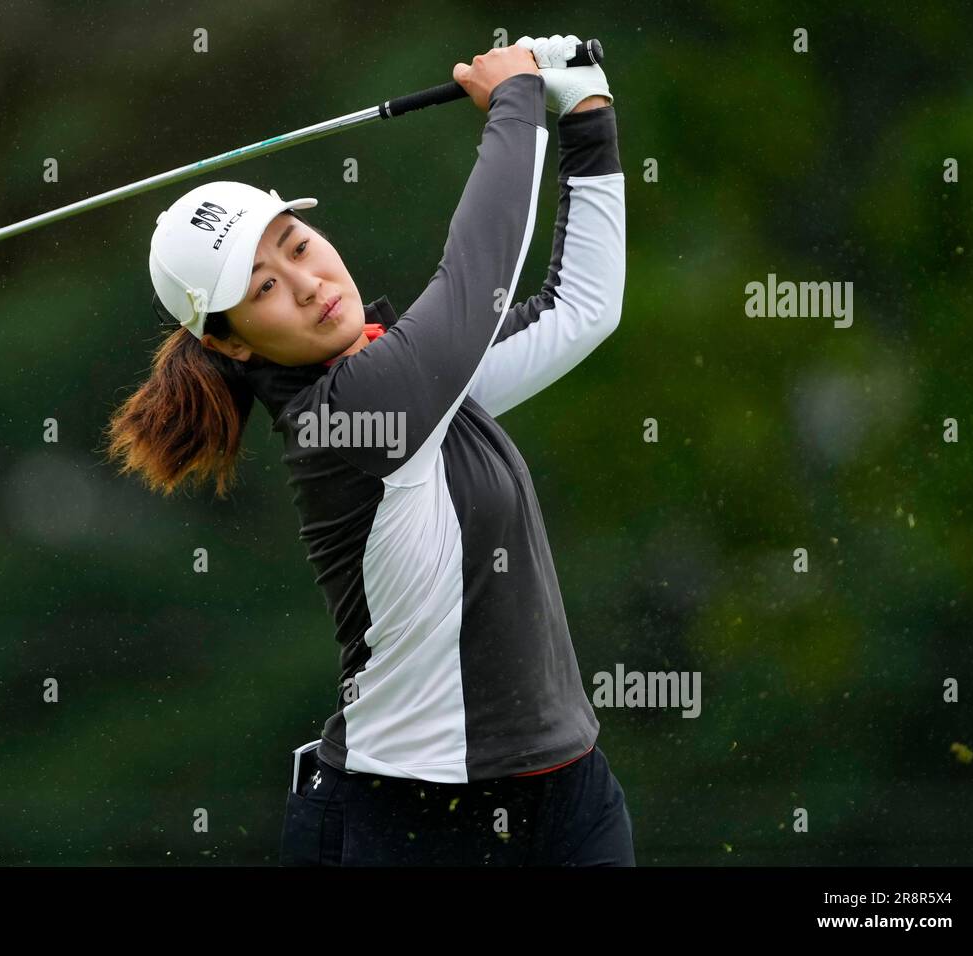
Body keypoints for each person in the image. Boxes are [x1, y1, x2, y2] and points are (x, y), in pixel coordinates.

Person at [106, 35, 632, 865]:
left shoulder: (423, 381)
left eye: (298, 248)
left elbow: (582, 307)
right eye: (265, 289)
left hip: (572, 792)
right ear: (235, 344)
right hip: (419, 821)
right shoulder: (345, 421)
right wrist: (518, 103)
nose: (309, 284)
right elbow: (476, 282)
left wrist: (588, 123)